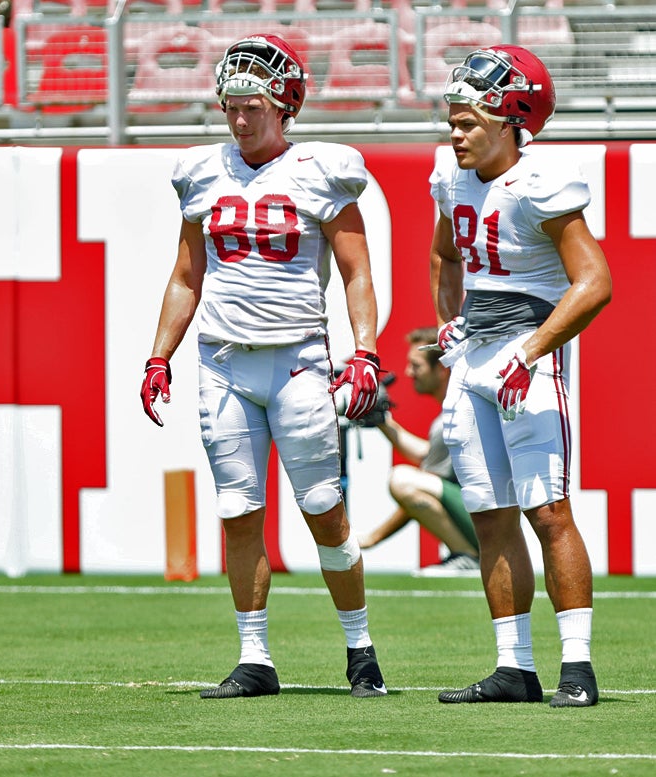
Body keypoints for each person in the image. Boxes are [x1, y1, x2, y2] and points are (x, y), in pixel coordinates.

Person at [140, 34, 388, 700]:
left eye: (252, 106)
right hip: (222, 360)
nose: (240, 119)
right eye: (231, 106)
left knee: (322, 508)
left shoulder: (320, 168)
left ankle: (360, 648)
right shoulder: (201, 171)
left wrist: (363, 350)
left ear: (284, 105)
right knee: (238, 509)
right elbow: (186, 274)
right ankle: (255, 656)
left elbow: (358, 272)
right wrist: (158, 353)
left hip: (300, 360)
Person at [429, 46, 611, 707]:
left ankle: (579, 669)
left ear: (510, 119)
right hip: (475, 359)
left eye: (468, 120)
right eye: (451, 120)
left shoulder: (540, 182)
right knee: (490, 514)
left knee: (549, 510)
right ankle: (514, 665)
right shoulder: (450, 179)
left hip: (523, 363)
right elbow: (444, 253)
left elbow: (595, 282)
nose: (454, 132)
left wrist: (531, 351)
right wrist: (448, 320)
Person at [357, 326, 480, 576]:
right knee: (409, 479)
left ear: (442, 368)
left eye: (416, 365)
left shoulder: (455, 416)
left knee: (402, 479)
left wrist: (372, 538)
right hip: (490, 519)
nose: (408, 372)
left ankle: (467, 556)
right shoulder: (461, 406)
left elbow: (420, 484)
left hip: (486, 523)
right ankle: (468, 554)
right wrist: (382, 420)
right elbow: (429, 456)